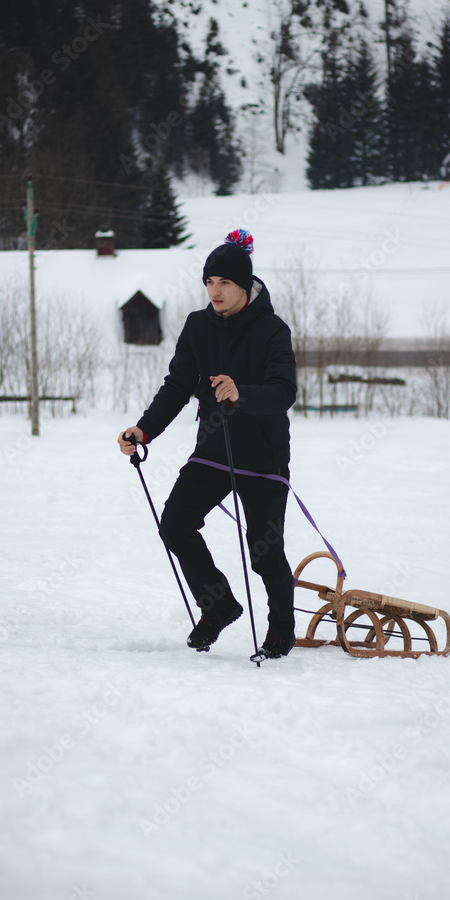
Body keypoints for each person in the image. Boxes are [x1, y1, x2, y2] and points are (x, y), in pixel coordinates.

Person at [118, 229, 298, 660]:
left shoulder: (273, 330)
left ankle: (282, 627)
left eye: (225, 284)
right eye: (209, 283)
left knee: (264, 551)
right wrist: (143, 431)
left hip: (262, 456)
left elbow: (284, 391)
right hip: (213, 450)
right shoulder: (198, 326)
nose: (215, 291)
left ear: (245, 286)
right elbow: (177, 385)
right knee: (175, 524)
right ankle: (218, 604)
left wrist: (243, 392)